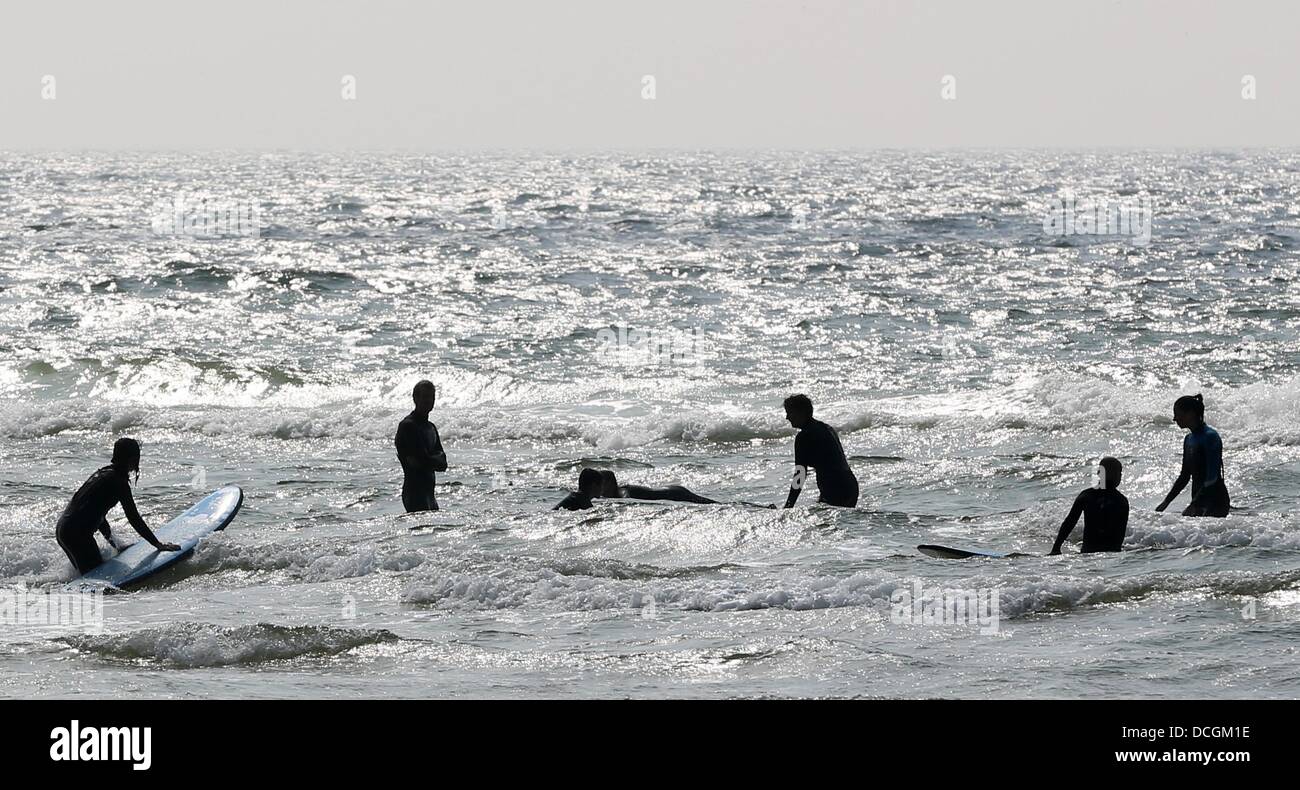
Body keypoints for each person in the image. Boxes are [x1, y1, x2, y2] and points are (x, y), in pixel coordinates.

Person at [55, 438, 181, 575]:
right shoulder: (119, 482)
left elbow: (97, 515)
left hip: (63, 530)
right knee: (98, 582)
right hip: (77, 535)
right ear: (132, 459)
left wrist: (116, 544)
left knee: (87, 578)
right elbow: (133, 517)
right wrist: (157, 544)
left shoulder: (102, 475)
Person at [1156, 393, 1230, 517]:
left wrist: (1194, 504)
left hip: (1215, 500)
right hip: (1198, 500)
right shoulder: (1188, 439)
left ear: (1190, 413)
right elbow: (1184, 476)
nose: (1175, 419)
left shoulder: (1210, 437)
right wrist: (1166, 502)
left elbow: (1212, 477)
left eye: (1177, 413)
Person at [781, 394, 859, 508]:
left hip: (835, 489)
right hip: (850, 486)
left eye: (789, 412)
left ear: (801, 412)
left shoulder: (804, 436)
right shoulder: (826, 428)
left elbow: (800, 473)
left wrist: (788, 505)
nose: (787, 417)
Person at [1049, 457, 1129, 554]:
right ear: (1116, 475)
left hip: (1088, 553)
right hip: (1112, 555)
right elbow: (1119, 536)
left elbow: (1069, 523)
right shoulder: (1121, 501)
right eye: (1119, 473)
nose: (1120, 476)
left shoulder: (1086, 496)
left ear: (1099, 473)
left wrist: (1056, 548)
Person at [395, 380, 448, 512]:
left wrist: (430, 459)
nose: (428, 400)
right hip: (414, 493)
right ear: (415, 398)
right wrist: (432, 459)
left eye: (431, 397)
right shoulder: (408, 426)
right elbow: (422, 461)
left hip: (430, 495)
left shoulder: (431, 427)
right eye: (424, 396)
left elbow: (443, 464)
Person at [596, 470, 719, 504]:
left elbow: (627, 500)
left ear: (610, 483)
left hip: (674, 493)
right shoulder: (613, 494)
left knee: (710, 504)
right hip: (671, 491)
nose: (599, 486)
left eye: (601, 483)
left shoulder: (622, 491)